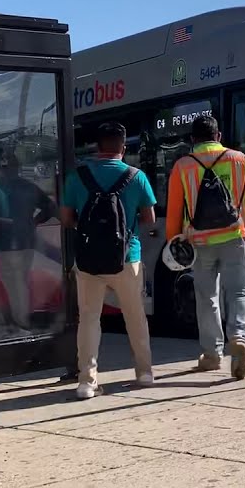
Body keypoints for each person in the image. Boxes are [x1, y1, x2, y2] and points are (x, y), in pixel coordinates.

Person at [166, 115, 245, 379]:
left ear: (193, 140)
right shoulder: (239, 160)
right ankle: (239, 337)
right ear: (218, 137)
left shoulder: (182, 166)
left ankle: (211, 354)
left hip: (199, 242)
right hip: (235, 238)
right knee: (240, 291)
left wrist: (174, 244)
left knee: (207, 298)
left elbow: (173, 212)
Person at [61, 122, 157, 400]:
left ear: (97, 146)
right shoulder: (136, 176)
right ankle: (145, 373)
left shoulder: (77, 177)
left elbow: (67, 219)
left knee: (89, 319)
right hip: (128, 258)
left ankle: (87, 382)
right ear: (123, 148)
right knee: (135, 316)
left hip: (89, 260)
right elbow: (149, 220)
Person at [0, 153, 57, 330]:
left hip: (4, 244)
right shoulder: (28, 187)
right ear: (17, 168)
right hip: (24, 241)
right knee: (20, 282)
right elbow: (50, 207)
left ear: (0, 170)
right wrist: (33, 222)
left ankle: (19, 323)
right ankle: (20, 321)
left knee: (10, 284)